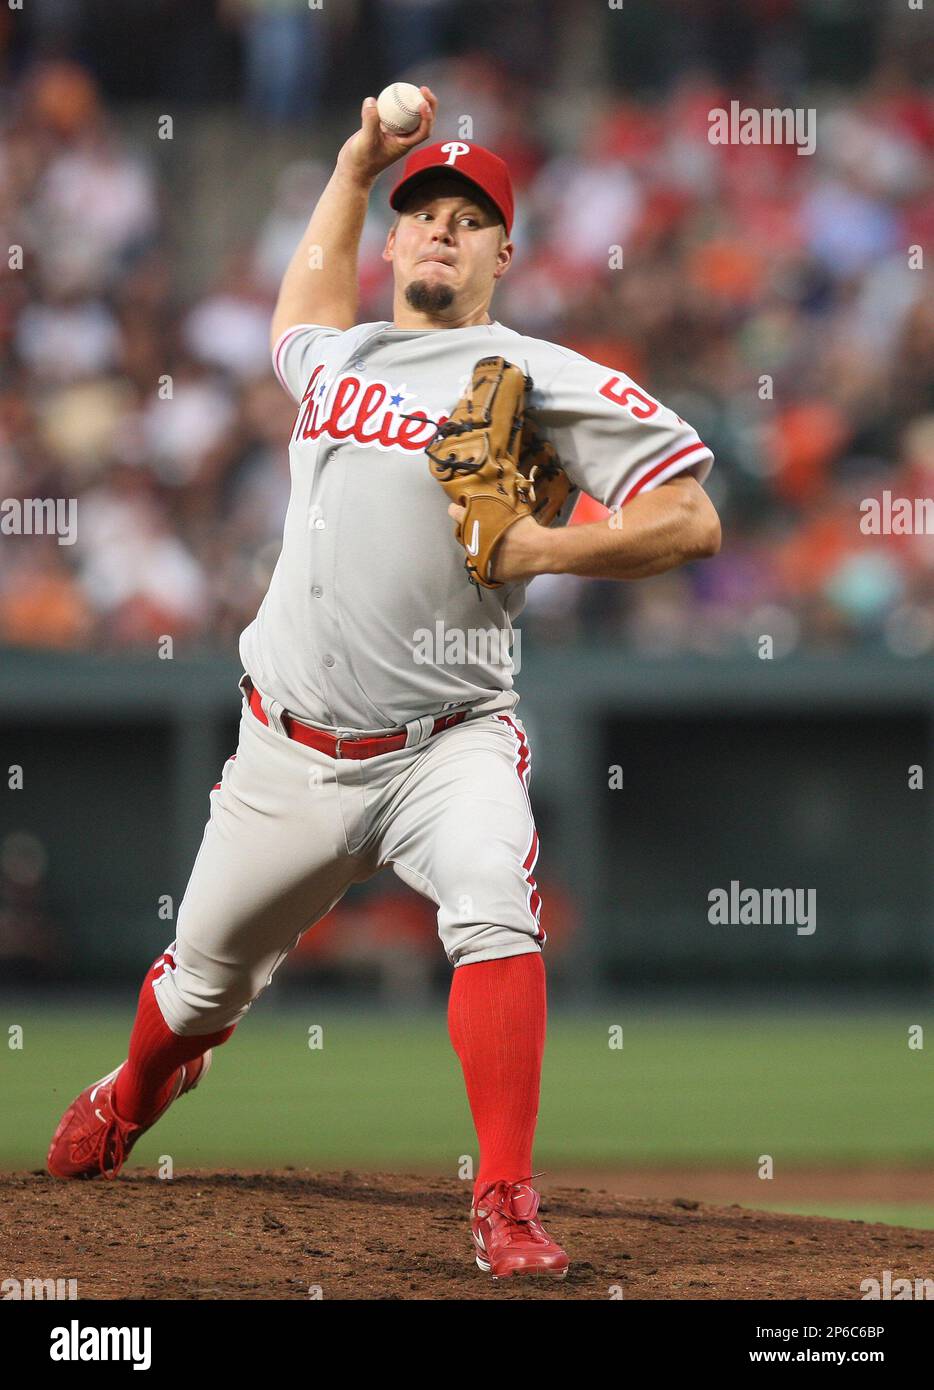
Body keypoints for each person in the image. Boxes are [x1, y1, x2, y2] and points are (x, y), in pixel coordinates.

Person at [47, 88, 720, 1281]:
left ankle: (504, 1199)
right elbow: (301, 304)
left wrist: (541, 550)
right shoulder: (342, 351)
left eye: (470, 217)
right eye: (425, 215)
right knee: (196, 989)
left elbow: (691, 516)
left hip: (447, 741)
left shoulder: (535, 370)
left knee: (492, 904)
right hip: (286, 753)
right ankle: (136, 1089)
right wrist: (357, 168)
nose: (442, 231)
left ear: (504, 251)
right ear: (396, 241)